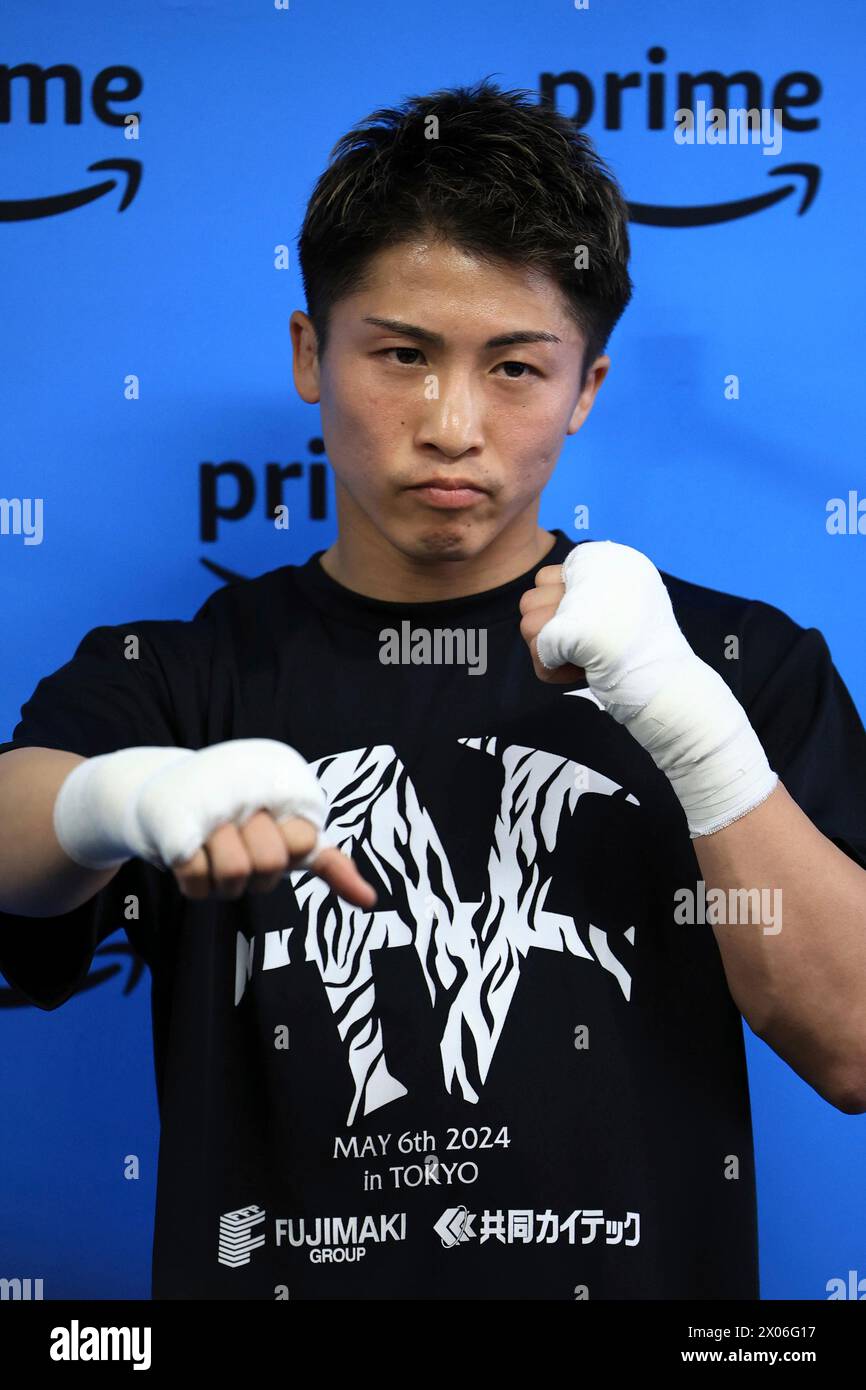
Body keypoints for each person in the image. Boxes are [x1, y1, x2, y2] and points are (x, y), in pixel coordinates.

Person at [1, 78, 865, 1302]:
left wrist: (696, 734)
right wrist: (120, 799)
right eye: (402, 355)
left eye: (514, 367)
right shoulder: (188, 675)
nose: (450, 424)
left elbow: (854, 1043)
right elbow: (14, 832)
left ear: (586, 387)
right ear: (310, 353)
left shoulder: (731, 662)